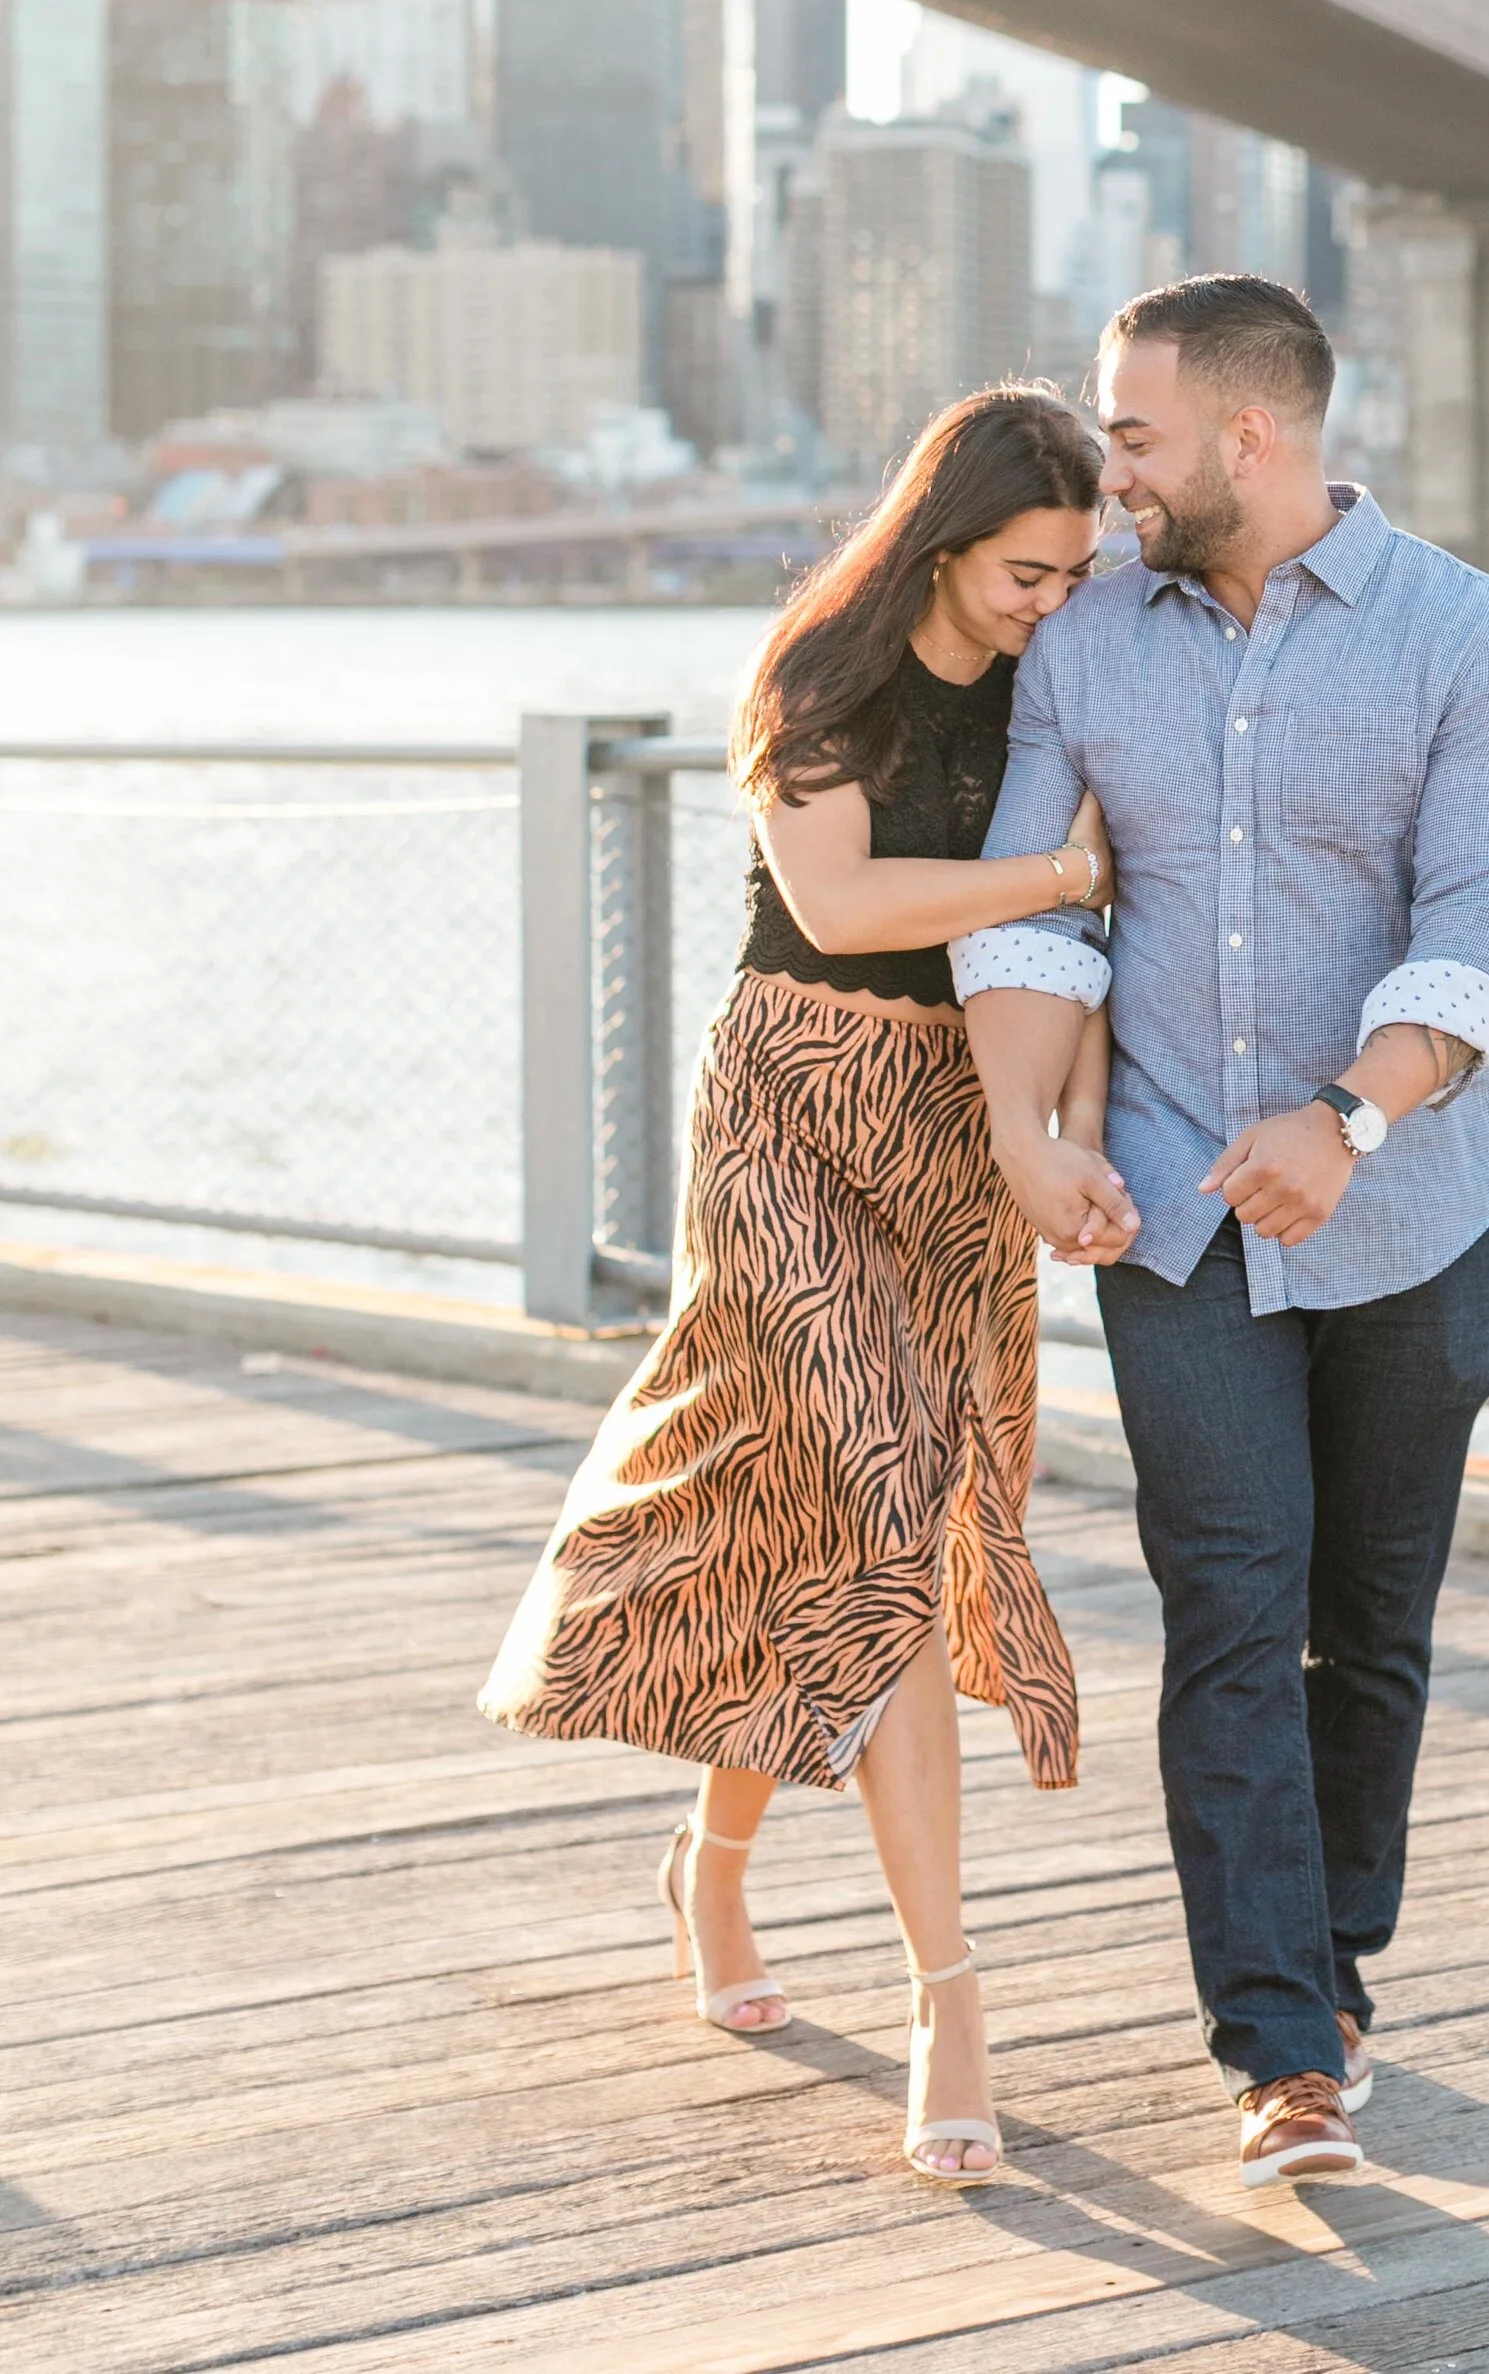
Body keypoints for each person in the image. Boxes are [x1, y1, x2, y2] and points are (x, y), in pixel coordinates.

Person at [480, 385, 1136, 2187]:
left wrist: (1067, 1116)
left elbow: (1074, 948)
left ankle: (713, 1863)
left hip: (957, 1117)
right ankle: (952, 1989)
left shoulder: (1060, 681)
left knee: (843, 1519)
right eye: (1026, 568)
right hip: (789, 1104)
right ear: (945, 540)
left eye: (1079, 572)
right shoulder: (817, 670)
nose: (1052, 601)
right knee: (878, 1485)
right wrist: (1072, 857)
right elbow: (841, 901)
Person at [956, 274, 1489, 2190]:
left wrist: (1350, 1117)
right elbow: (1036, 912)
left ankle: (1339, 1964)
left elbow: (1471, 945)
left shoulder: (1471, 642)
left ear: (1247, 436)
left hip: (1408, 1211)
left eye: (1131, 434)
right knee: (1232, 1608)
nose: (1105, 468)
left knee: (1368, 1628)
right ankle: (1280, 2046)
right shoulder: (1086, 646)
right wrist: (1030, 1131)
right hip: (1174, 1221)